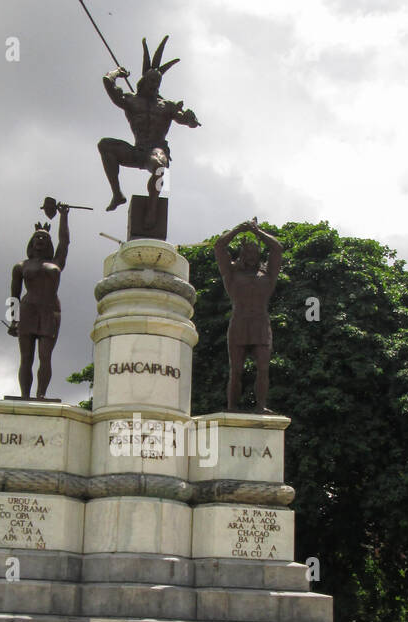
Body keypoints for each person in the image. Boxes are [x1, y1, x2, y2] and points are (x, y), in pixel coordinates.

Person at [97, 36, 200, 227]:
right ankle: (117, 194)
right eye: (151, 81)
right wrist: (117, 73)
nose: (154, 85)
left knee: (162, 167)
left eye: (157, 82)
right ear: (143, 81)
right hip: (137, 151)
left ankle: (152, 207)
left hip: (156, 150)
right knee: (105, 145)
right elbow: (107, 82)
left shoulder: (166, 105)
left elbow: (184, 119)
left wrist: (190, 120)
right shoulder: (131, 100)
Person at [214, 217, 283, 413]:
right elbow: (219, 246)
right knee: (236, 370)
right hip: (239, 325)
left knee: (263, 369)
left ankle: (261, 406)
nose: (252, 255)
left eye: (255, 252)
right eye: (248, 252)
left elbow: (277, 248)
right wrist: (239, 229)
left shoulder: (268, 276)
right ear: (242, 254)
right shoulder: (232, 275)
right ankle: (232, 407)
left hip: (261, 326)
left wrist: (258, 232)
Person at [7, 203, 69, 399]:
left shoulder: (56, 262)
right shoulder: (21, 265)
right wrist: (12, 320)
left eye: (44, 237)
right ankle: (25, 396)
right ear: (31, 242)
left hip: (50, 311)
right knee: (26, 358)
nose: (40, 239)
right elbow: (14, 294)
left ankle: (41, 395)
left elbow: (65, 242)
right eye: (37, 237)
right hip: (28, 310)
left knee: (45, 356)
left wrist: (64, 216)